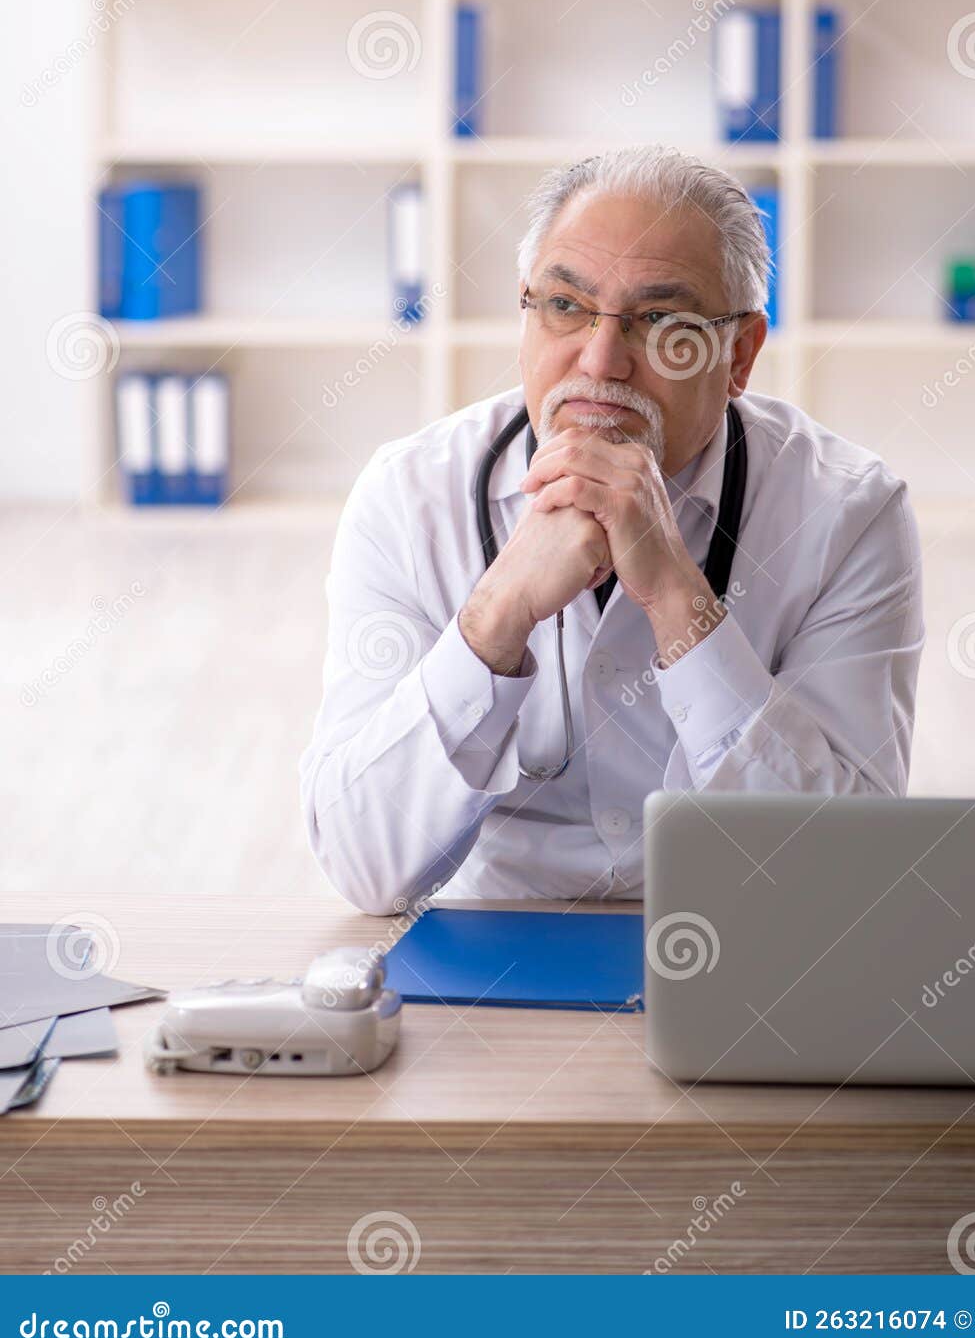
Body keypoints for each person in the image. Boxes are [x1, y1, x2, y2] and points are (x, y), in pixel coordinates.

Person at [300, 146, 924, 913]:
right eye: (565, 305)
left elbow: (843, 879)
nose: (601, 360)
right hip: (488, 954)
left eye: (661, 320)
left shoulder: (849, 514)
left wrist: (677, 600)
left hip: (743, 950)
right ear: (525, 315)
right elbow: (366, 869)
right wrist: (494, 618)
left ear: (741, 354)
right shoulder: (408, 498)